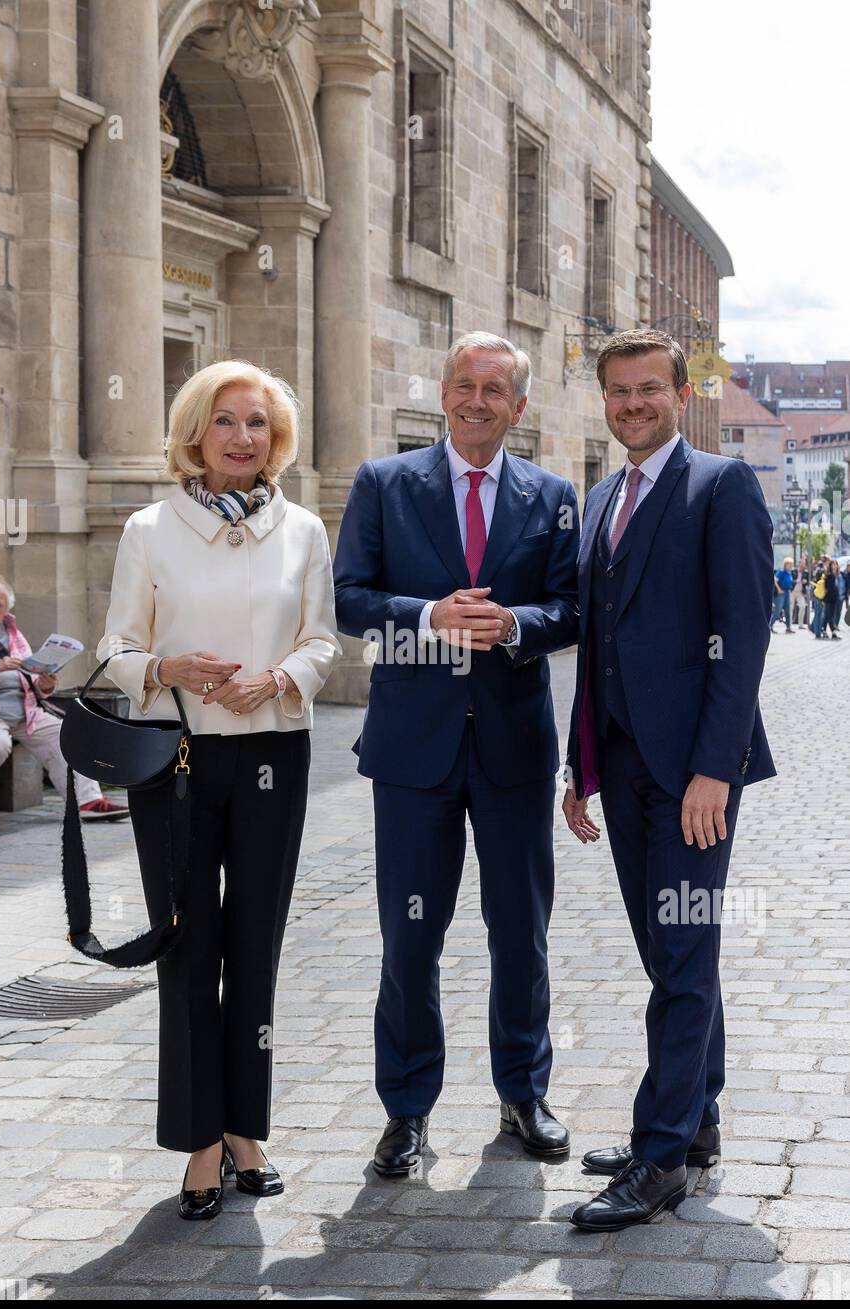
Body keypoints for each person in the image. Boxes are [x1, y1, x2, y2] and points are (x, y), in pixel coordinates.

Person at [97, 360, 340, 1219]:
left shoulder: (305, 529)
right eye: (228, 422)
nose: (245, 439)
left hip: (276, 751)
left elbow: (323, 644)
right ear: (195, 431)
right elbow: (115, 652)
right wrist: (167, 667)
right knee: (189, 950)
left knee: (257, 948)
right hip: (178, 761)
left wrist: (277, 678)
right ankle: (200, 1139)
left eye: (260, 425)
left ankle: (247, 1129)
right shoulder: (148, 528)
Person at [334, 331, 579, 1176]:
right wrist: (427, 615)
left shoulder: (552, 495)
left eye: (495, 390)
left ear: (518, 407)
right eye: (464, 385)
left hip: (512, 748)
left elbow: (573, 608)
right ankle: (406, 1111)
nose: (477, 401)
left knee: (521, 933)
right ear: (444, 393)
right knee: (410, 939)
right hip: (412, 755)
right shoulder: (384, 483)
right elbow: (348, 600)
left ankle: (524, 1093)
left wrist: (515, 625)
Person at [562, 329, 775, 1232]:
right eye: (619, 392)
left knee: (683, 959)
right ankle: (697, 1123)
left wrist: (712, 773)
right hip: (623, 764)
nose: (633, 404)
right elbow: (596, 644)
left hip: (693, 777)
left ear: (681, 395)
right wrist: (581, 765)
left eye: (650, 389)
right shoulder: (604, 493)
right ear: (604, 400)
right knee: (666, 952)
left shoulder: (721, 486)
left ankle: (659, 1160)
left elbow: (745, 637)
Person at [0, 576, 127, 823]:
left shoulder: (14, 635)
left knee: (66, 735)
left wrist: (45, 684)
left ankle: (88, 801)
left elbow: (32, 681)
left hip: (25, 712)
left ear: (6, 610)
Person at [770, 557, 795, 633]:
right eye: (790, 564)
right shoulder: (781, 571)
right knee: (778, 610)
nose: (791, 566)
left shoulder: (789, 572)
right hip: (781, 593)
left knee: (788, 610)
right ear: (786, 564)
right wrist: (779, 589)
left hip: (787, 592)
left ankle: (788, 627)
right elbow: (774, 580)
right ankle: (770, 625)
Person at [824, 558, 843, 639]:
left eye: (836, 564)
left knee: (829, 616)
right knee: (830, 616)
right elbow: (828, 588)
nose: (834, 566)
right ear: (830, 566)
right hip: (830, 599)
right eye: (833, 564)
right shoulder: (829, 575)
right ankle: (833, 633)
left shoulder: (838, 575)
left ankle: (824, 631)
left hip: (836, 599)